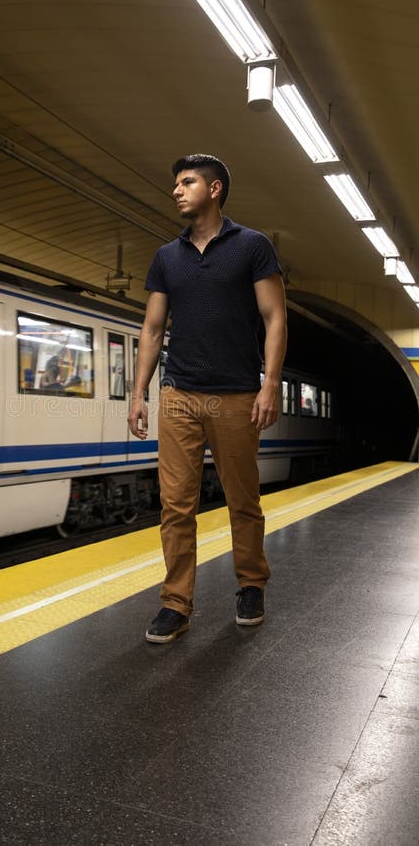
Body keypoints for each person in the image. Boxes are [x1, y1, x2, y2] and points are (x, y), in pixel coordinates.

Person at [128, 154, 287, 643]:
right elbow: (153, 329)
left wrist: (269, 383)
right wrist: (138, 394)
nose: (176, 190)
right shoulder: (166, 257)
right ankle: (175, 603)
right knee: (176, 504)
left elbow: (275, 317)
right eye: (175, 182)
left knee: (243, 499)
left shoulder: (252, 247)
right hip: (178, 394)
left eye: (187, 182)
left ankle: (251, 584)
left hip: (237, 395)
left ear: (215, 189)